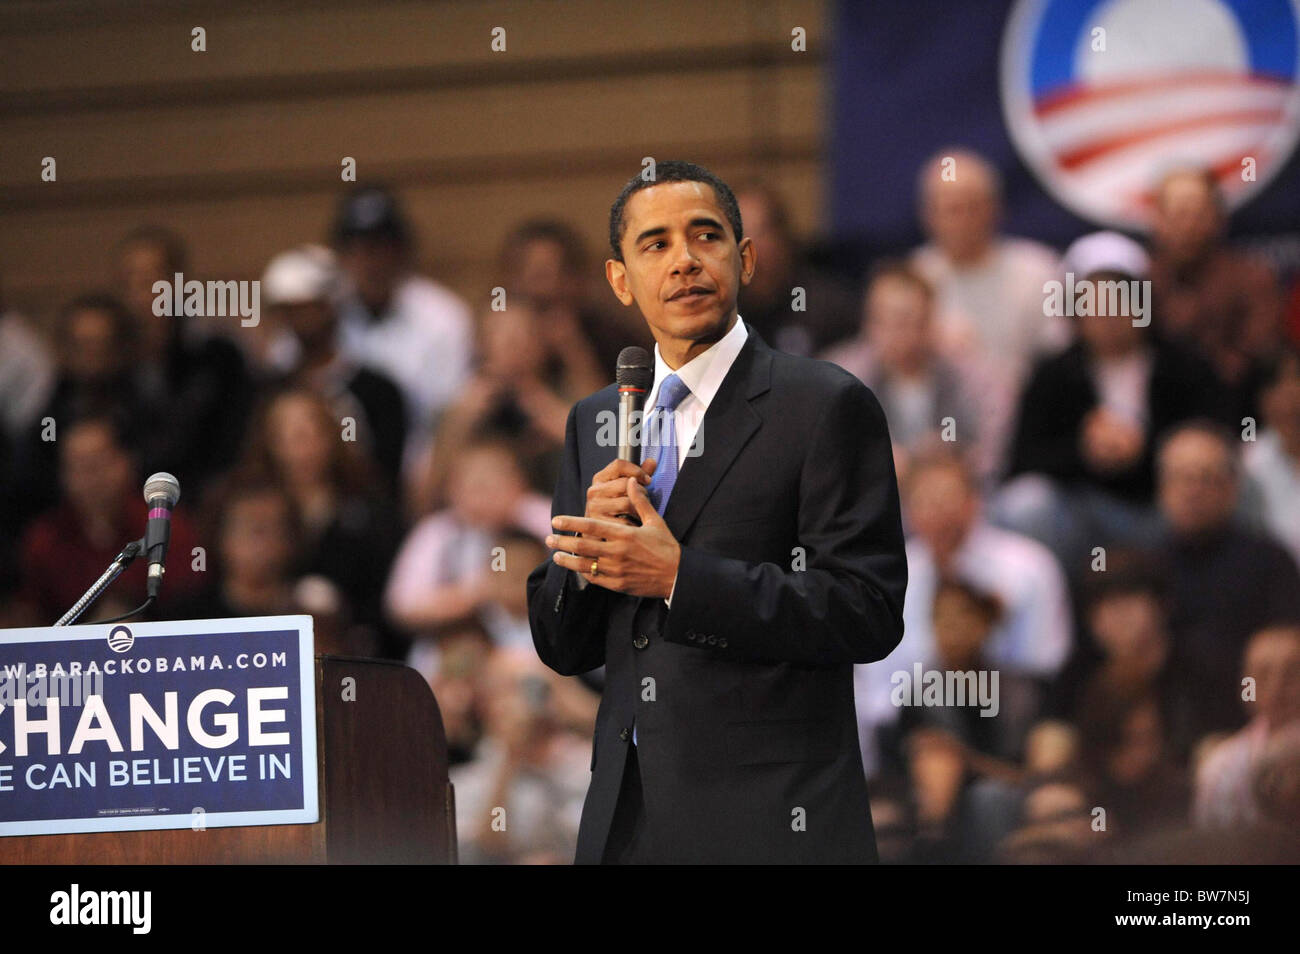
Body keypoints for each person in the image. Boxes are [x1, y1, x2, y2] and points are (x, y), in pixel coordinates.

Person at [526, 160, 908, 863]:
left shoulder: (824, 404)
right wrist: (582, 562)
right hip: (626, 817)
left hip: (770, 820)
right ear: (620, 280)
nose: (685, 261)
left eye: (706, 236)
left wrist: (680, 578)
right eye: (656, 244)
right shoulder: (597, 420)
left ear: (747, 258)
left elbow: (868, 608)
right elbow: (564, 646)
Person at [909, 148, 1068, 389]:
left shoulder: (1038, 271)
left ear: (995, 209)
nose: (961, 222)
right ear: (927, 215)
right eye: (951, 210)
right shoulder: (913, 276)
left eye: (971, 208)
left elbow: (1058, 356)